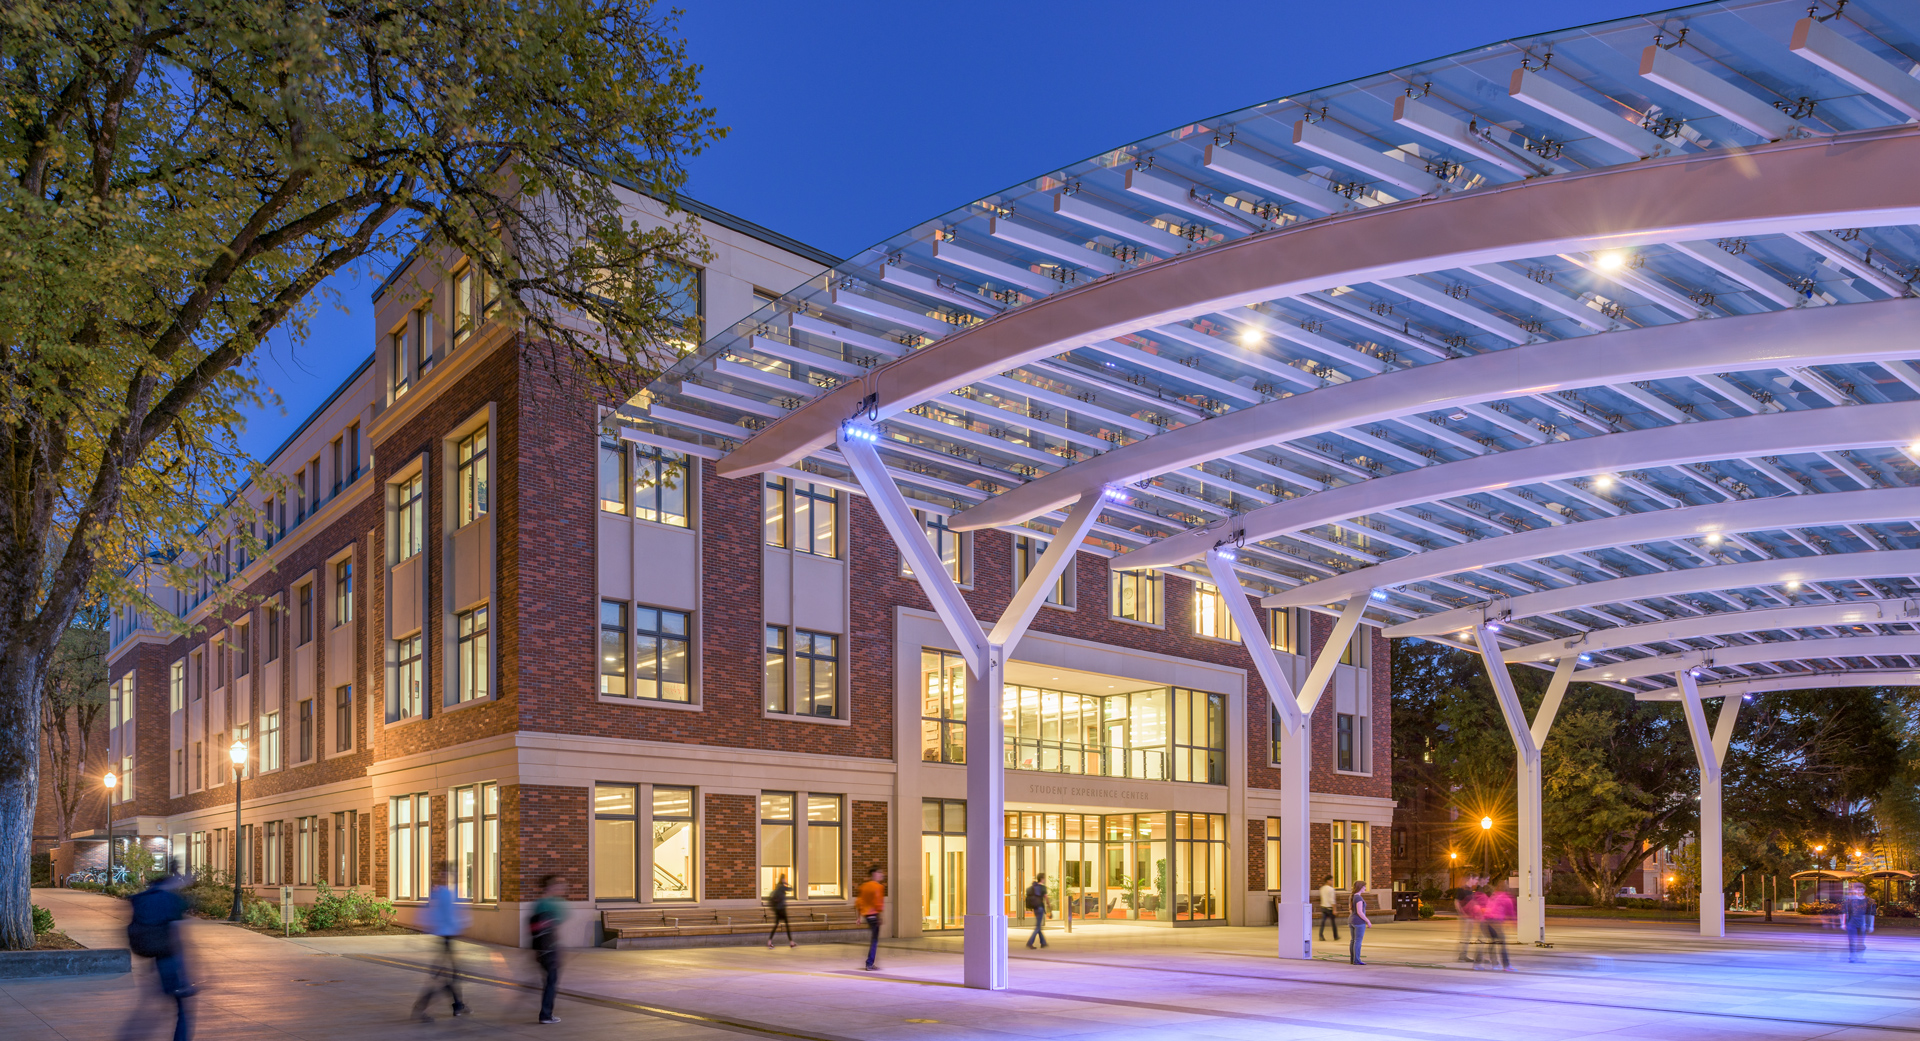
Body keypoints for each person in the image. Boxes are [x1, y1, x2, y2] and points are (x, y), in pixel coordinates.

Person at [121, 868, 195, 1041]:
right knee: (182, 1007)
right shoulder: (172, 900)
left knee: (151, 1007)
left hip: (151, 951)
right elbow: (178, 939)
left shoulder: (143, 898)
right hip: (168, 956)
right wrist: (186, 974)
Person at [411, 863, 470, 1022]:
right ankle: (420, 1008)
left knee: (451, 975)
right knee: (441, 978)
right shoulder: (442, 893)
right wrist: (459, 925)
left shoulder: (445, 892)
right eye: (446, 873)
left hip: (447, 937)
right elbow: (443, 915)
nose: (448, 876)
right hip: (445, 938)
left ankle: (458, 1004)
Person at [529, 875, 570, 1024]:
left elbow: (534, 929)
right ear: (550, 887)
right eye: (559, 886)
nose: (562, 889)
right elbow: (553, 928)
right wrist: (557, 948)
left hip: (541, 949)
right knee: (551, 982)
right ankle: (546, 1014)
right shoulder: (552, 905)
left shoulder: (539, 903)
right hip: (550, 949)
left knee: (548, 980)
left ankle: (546, 1013)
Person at [856, 865, 886, 970]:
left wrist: (858, 917)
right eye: (879, 872)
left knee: (874, 939)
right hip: (874, 916)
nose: (882, 874)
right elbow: (879, 904)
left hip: (867, 916)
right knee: (874, 940)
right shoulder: (878, 887)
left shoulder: (863, 887)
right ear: (874, 874)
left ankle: (869, 962)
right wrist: (880, 916)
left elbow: (859, 903)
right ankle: (869, 963)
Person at [1841, 881, 1875, 962]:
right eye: (1858, 890)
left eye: (1862, 890)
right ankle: (1852, 957)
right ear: (1855, 890)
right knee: (1852, 940)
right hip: (1851, 922)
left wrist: (1871, 925)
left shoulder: (1869, 901)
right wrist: (1843, 923)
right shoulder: (1850, 900)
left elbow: (1871, 914)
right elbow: (1845, 912)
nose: (1860, 891)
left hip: (1862, 923)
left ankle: (1860, 957)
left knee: (1861, 941)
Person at [1481, 887, 1514, 971]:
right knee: (1502, 943)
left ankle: (1494, 964)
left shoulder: (1493, 897)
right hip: (1494, 922)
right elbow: (1511, 913)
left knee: (1492, 942)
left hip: (1485, 922)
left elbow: (1488, 909)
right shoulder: (1507, 899)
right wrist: (1514, 922)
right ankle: (1506, 965)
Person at [767, 873, 796, 948]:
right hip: (782, 910)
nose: (785, 879)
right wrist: (787, 883)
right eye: (784, 878)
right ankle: (791, 943)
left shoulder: (778, 886)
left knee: (776, 925)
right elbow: (791, 889)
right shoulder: (782, 887)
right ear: (783, 879)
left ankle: (770, 941)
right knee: (787, 925)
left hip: (777, 910)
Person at [1347, 880, 1371, 965]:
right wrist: (1368, 921)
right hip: (1359, 922)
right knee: (1358, 941)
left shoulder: (1352, 896)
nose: (1365, 888)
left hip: (1351, 920)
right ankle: (1357, 960)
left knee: (1353, 940)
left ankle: (1352, 959)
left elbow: (1350, 909)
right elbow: (1360, 912)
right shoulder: (1359, 898)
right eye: (1364, 886)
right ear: (1360, 887)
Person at [1025, 873, 1050, 949]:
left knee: (1038, 926)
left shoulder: (1033, 887)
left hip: (1035, 908)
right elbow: (1046, 898)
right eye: (1044, 878)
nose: (1044, 879)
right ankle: (1030, 942)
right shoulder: (1043, 888)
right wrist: (1050, 908)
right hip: (1040, 908)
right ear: (1042, 879)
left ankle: (1043, 942)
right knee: (1037, 927)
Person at [1317, 876, 1341, 941]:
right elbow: (1332, 900)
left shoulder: (1322, 888)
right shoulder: (1331, 889)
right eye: (1332, 880)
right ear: (1328, 881)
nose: (1332, 882)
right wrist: (1334, 910)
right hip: (1329, 908)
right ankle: (1335, 936)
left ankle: (1321, 935)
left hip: (1323, 907)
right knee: (1333, 923)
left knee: (1323, 922)